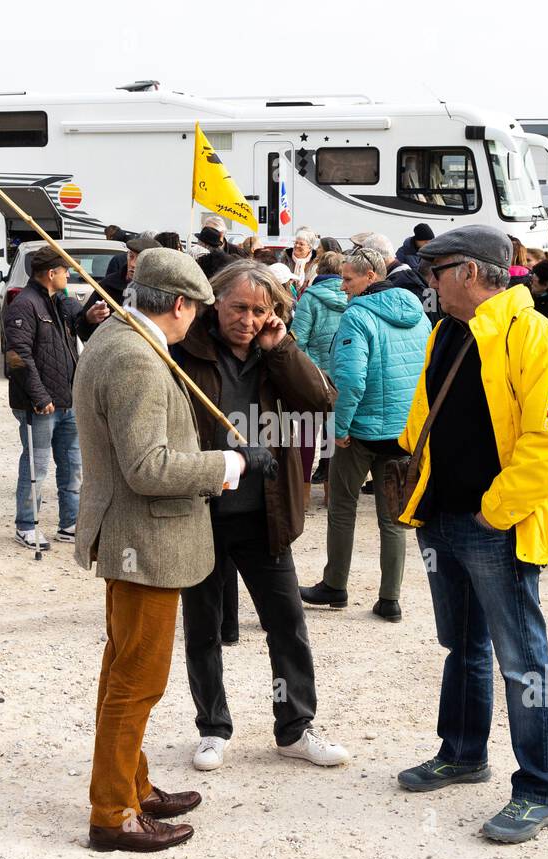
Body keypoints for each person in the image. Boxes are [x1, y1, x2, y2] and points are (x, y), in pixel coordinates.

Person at [395, 225, 548, 844]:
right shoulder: (448, 331)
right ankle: (462, 753)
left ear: (475, 273)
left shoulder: (536, 339)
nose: (429, 280)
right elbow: (425, 415)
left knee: (521, 658)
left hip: (491, 527)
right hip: (441, 518)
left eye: (438, 269)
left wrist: (494, 513)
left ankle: (539, 789)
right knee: (463, 646)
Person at [72, 248, 269, 853]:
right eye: (197, 312)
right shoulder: (135, 357)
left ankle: (134, 783)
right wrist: (228, 463)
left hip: (134, 534)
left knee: (123, 667)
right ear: (179, 305)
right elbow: (146, 466)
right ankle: (113, 813)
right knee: (138, 679)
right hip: (143, 537)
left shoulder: (118, 335)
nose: (197, 325)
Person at [172, 259, 347, 772]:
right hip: (199, 510)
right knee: (204, 627)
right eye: (239, 307)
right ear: (215, 302)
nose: (247, 319)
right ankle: (212, 727)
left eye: (259, 311)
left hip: (264, 513)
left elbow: (321, 401)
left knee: (287, 624)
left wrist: (283, 348)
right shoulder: (185, 352)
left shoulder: (276, 354)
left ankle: (294, 728)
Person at [300, 247, 428, 622]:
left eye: (348, 278)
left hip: (362, 430)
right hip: (402, 432)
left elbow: (351, 380)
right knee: (392, 517)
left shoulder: (357, 317)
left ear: (370, 276)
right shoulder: (418, 313)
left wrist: (339, 428)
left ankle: (335, 585)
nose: (342, 286)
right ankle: (390, 599)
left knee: (342, 507)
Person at [0, 247, 91, 550]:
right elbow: (16, 356)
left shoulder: (58, 302)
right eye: (66, 270)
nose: (69, 274)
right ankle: (26, 524)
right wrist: (39, 396)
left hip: (67, 400)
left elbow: (83, 327)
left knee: (71, 463)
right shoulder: (25, 305)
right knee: (36, 466)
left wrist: (91, 314)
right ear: (52, 274)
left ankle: (70, 522)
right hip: (39, 405)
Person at [291, 249, 348, 489]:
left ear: (320, 270)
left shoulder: (310, 297)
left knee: (306, 432)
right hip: (342, 372)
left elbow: (298, 339)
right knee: (333, 432)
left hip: (314, 373)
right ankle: (330, 491)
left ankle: (303, 492)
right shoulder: (352, 296)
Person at [84, 231, 159, 323]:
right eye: (131, 256)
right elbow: (81, 325)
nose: (133, 264)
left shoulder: (161, 291)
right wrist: (89, 318)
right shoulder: (108, 284)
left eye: (140, 259)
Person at [280, 227, 319, 292]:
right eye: (296, 242)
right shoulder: (285, 257)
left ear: (309, 247)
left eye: (301, 244)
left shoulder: (316, 262)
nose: (297, 245)